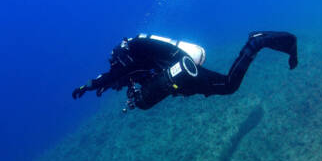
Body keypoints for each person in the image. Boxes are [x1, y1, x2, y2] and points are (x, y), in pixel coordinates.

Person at [72, 31, 298, 111]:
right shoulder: (135, 57)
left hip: (182, 65)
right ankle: (257, 42)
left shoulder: (128, 57)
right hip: (183, 64)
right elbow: (116, 77)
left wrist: (90, 85)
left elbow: (114, 75)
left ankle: (256, 43)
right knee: (226, 86)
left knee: (229, 85)